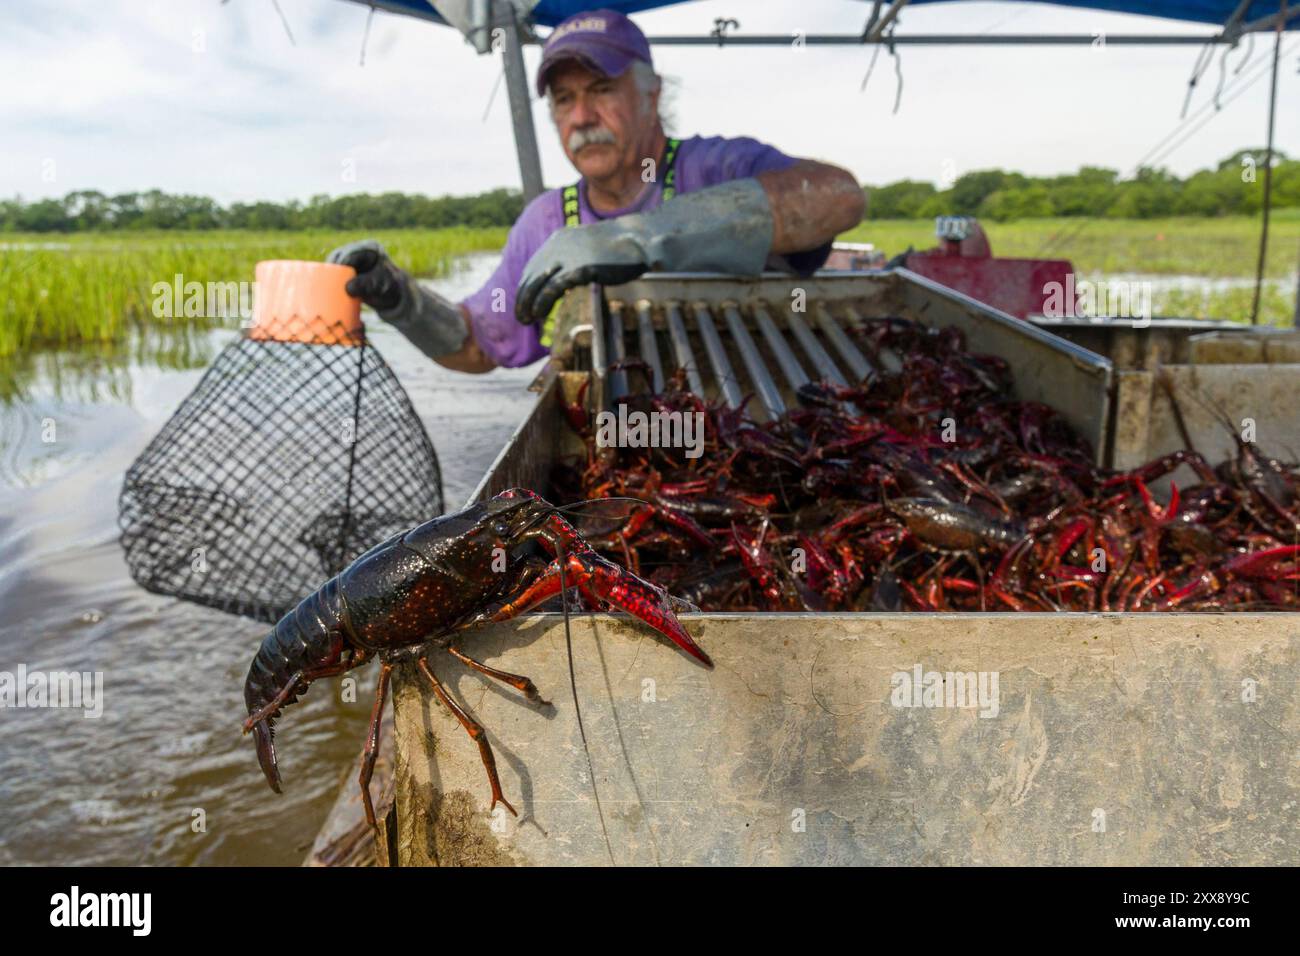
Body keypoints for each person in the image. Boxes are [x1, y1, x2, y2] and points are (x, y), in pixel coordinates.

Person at [328, 8, 865, 373]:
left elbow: (840, 196)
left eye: (602, 90)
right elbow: (476, 342)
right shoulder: (546, 222)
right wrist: (399, 300)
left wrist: (641, 237)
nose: (582, 116)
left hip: (750, 418)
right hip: (615, 454)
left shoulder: (715, 167)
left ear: (651, 95)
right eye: (564, 100)